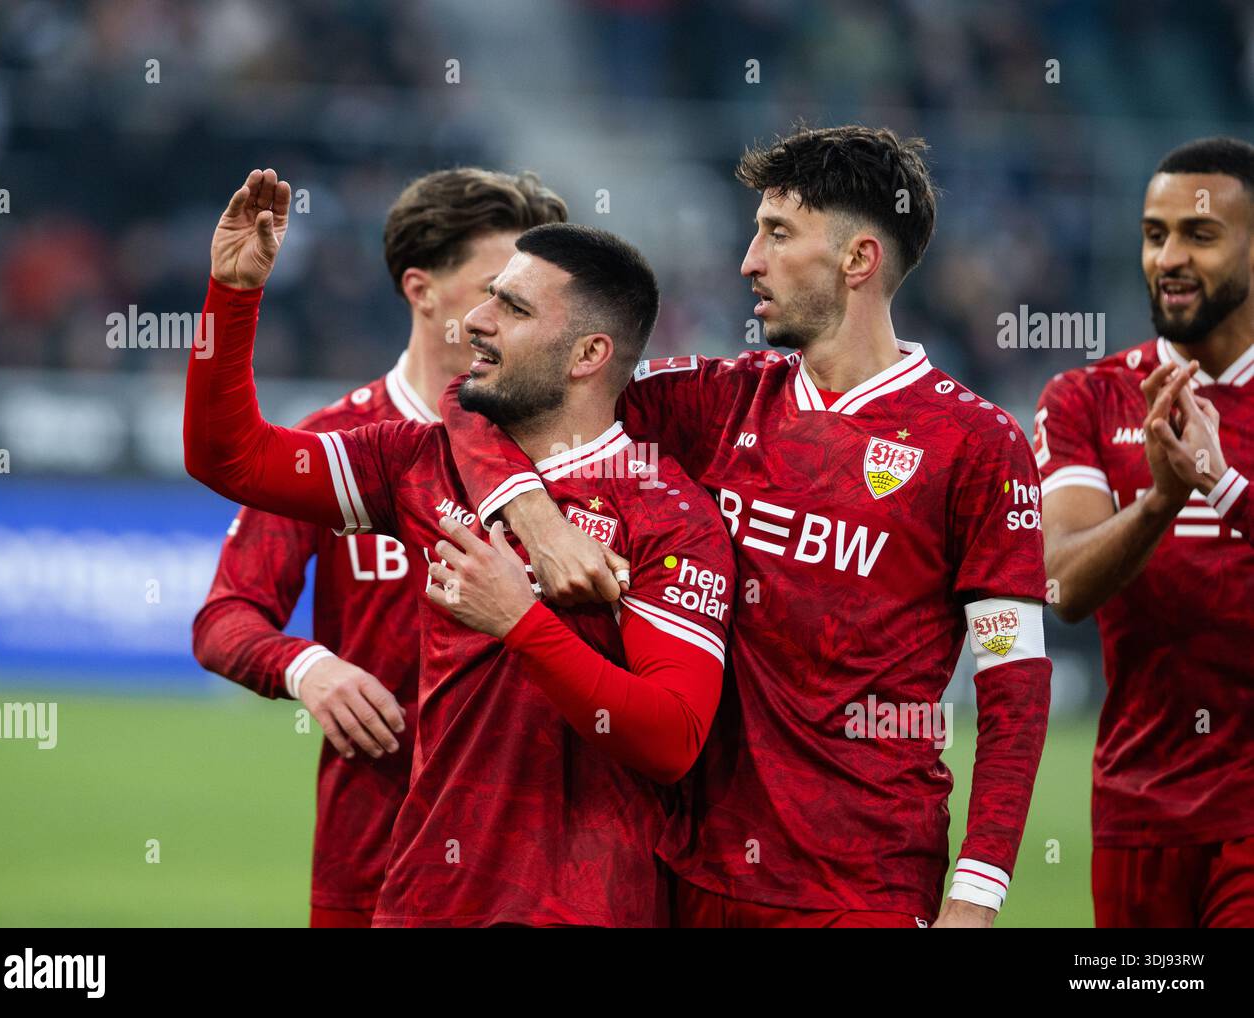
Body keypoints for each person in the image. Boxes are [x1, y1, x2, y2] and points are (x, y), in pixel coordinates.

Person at [439, 125, 1052, 927]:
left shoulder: (975, 445)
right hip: (682, 874)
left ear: (857, 261)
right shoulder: (714, 402)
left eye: (777, 233)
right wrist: (538, 521)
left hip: (860, 887)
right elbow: (478, 397)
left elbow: (1013, 685)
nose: (748, 261)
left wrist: (976, 897)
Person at [184, 168, 734, 926]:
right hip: (413, 891)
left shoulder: (671, 513)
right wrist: (231, 295)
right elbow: (228, 458)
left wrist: (518, 617)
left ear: (586, 355)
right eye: (485, 292)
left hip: (583, 905)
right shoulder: (418, 459)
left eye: (509, 305)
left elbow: (671, 739)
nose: (477, 322)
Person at [191, 167, 567, 928]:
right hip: (372, 851)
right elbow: (225, 616)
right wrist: (308, 666)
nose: (511, 312)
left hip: (537, 862)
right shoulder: (340, 445)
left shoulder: (572, 448)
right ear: (421, 289)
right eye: (494, 287)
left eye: (527, 294)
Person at [1037, 136, 1254, 927]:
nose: (1169, 256)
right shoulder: (1087, 400)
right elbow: (1059, 585)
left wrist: (1223, 488)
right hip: (1138, 808)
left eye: (1200, 234)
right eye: (1154, 233)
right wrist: (1160, 502)